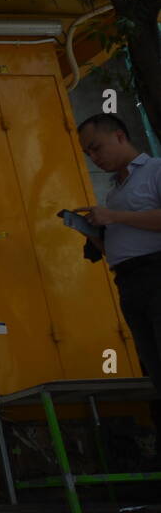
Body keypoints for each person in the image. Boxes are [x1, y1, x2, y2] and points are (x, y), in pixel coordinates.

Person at [76, 113, 161, 393]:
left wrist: (114, 216)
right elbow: (117, 247)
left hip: (155, 274)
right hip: (128, 281)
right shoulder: (114, 193)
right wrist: (92, 233)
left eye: (96, 147)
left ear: (120, 136)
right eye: (88, 153)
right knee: (153, 365)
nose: (94, 157)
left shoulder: (156, 170)